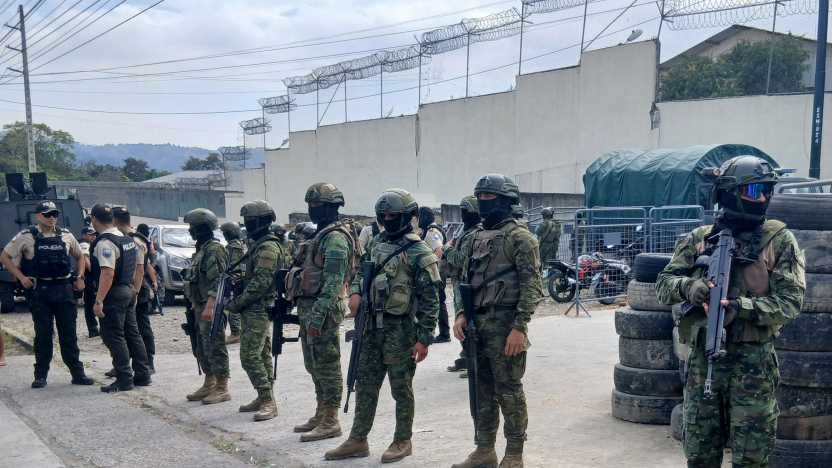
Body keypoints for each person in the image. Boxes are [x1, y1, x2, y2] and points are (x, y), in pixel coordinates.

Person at [656, 156, 806, 468]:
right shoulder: (700, 239)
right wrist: (690, 287)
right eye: (754, 190)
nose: (762, 198)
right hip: (702, 359)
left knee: (751, 457)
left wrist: (741, 307)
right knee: (700, 453)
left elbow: (791, 302)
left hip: (753, 362)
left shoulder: (778, 240)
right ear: (729, 193)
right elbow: (663, 283)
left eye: (767, 190)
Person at [325, 188, 440, 464]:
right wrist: (355, 292)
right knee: (365, 385)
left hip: (401, 331)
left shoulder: (419, 252)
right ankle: (358, 439)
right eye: (383, 216)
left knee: (401, 389)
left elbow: (431, 301)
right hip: (370, 327)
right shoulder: (376, 242)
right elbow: (361, 272)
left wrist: (424, 339)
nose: (387, 220)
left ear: (407, 216)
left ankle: (403, 440)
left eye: (392, 215)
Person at [452, 174, 541, 468]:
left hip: (505, 327)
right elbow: (463, 280)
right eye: (479, 196)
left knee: (509, 392)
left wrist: (519, 327)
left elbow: (532, 286)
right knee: (481, 390)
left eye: (488, 196)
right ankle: (484, 449)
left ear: (505, 200)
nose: (482, 201)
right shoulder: (473, 237)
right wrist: (461, 313)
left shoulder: (520, 237)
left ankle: (514, 454)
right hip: (476, 326)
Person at [288, 183, 360, 442]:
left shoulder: (335, 238)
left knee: (327, 366)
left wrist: (318, 317)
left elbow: (333, 282)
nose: (312, 208)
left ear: (332, 207)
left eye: (317, 204)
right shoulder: (321, 234)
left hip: (324, 309)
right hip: (310, 307)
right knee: (313, 365)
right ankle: (321, 413)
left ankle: (331, 420)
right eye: (310, 204)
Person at [0, 200, 93, 388]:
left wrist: (80, 277)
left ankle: (77, 374)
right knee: (43, 335)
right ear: (38, 216)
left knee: (69, 335)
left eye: (55, 214)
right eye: (48, 214)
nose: (52, 218)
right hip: (40, 291)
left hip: (64, 289)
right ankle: (40, 375)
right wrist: (20, 277)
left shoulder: (66, 235)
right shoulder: (26, 236)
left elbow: (79, 256)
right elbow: (5, 256)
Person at [226, 200, 285, 421]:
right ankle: (264, 396)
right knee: (261, 354)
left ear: (264, 220)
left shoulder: (268, 247)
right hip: (254, 306)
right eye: (246, 220)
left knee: (249, 355)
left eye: (252, 219)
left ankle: (268, 400)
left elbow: (261, 283)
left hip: (258, 306)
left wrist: (238, 303)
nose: (248, 223)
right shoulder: (259, 245)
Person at [88, 204, 151, 393]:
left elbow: (107, 274)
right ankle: (143, 374)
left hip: (114, 293)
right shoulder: (126, 238)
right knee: (133, 333)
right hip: (128, 289)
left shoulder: (105, 242)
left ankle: (124, 378)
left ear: (94, 219)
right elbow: (138, 267)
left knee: (114, 336)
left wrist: (98, 301)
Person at [181, 209, 232, 405]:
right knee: (202, 347)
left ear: (203, 226)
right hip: (200, 304)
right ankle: (210, 383)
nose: (190, 229)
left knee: (215, 346)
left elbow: (219, 280)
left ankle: (222, 387)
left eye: (193, 226)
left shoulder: (214, 249)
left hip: (212, 306)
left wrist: (210, 306)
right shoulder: (201, 249)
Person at [112, 207, 157, 375]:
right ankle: (126, 362)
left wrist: (136, 294)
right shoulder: (125, 238)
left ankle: (148, 362)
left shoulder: (134, 240)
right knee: (126, 328)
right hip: (128, 288)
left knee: (141, 326)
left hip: (136, 289)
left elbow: (140, 269)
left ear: (115, 220)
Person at [441, 196, 483, 377]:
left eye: (466, 211)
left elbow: (462, 261)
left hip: (467, 284)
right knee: (461, 320)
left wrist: (447, 248)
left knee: (467, 322)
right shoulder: (467, 232)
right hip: (459, 283)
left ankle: (473, 363)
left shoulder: (475, 234)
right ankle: (466, 357)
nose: (463, 215)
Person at [417, 207, 450, 344]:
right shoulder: (430, 231)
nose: (417, 220)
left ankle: (444, 333)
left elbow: (439, 251)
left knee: (438, 301)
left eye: (419, 217)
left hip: (436, 271)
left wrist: (431, 267)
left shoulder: (431, 233)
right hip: (438, 271)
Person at [220, 221, 247, 344]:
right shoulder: (241, 245)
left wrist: (231, 279)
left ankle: (235, 333)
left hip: (233, 280)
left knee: (231, 305)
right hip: (240, 279)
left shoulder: (233, 248)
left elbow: (232, 265)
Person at [79, 225, 100, 338]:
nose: (93, 236)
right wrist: (94, 272)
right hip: (90, 277)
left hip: (90, 277)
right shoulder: (84, 244)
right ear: (84, 235)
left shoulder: (91, 244)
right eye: (90, 234)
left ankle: (94, 328)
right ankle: (93, 329)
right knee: (91, 302)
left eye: (94, 234)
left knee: (91, 302)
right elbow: (85, 259)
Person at [136, 223, 160, 315]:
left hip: (145, 270)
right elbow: (151, 251)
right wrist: (152, 241)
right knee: (151, 290)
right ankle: (151, 308)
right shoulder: (144, 242)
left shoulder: (137, 240)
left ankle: (151, 307)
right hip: (146, 270)